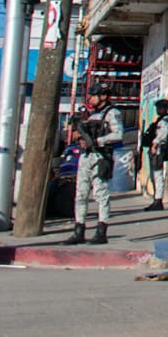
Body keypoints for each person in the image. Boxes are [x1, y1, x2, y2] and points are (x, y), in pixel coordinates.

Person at [63, 89, 124, 245]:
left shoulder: (112, 113)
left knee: (101, 194)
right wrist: (79, 136)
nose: (90, 99)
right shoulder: (91, 115)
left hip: (100, 156)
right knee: (80, 195)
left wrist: (97, 141)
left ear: (103, 96)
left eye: (94, 96)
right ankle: (79, 230)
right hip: (86, 156)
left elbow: (118, 134)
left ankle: (101, 231)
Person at [140, 98, 168, 212]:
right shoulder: (161, 120)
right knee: (154, 175)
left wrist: (155, 144)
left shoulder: (166, 120)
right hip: (155, 148)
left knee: (157, 175)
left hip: (158, 149)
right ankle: (156, 199)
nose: (158, 110)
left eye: (160, 108)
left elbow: (162, 134)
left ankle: (158, 200)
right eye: (158, 108)